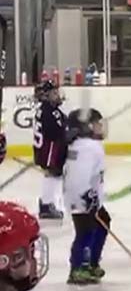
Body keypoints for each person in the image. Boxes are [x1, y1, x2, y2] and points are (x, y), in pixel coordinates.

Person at [62, 108, 109, 286]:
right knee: (85, 232)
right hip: (81, 199)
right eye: (96, 123)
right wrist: (86, 196)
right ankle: (77, 268)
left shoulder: (84, 145)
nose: (100, 127)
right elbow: (78, 176)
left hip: (84, 197)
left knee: (103, 223)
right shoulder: (86, 148)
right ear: (87, 126)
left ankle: (91, 262)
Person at [32, 79, 66, 220]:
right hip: (50, 149)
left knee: (52, 174)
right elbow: (59, 130)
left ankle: (46, 203)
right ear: (46, 95)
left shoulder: (42, 109)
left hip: (43, 149)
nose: (57, 95)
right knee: (53, 173)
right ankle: (46, 205)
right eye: (54, 93)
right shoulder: (50, 111)